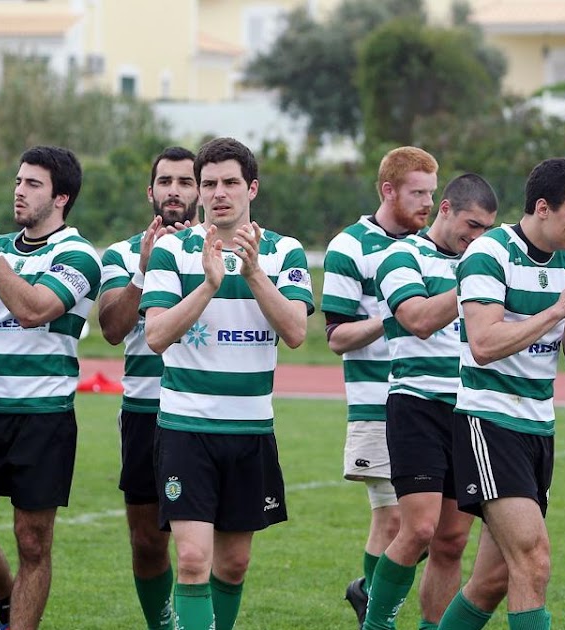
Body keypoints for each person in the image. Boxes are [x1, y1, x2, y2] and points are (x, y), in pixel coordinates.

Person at [140, 137, 313, 630]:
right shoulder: (173, 248)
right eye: (209, 184)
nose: (219, 193)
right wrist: (209, 283)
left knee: (233, 564)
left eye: (230, 183)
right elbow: (155, 335)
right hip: (185, 428)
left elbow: (297, 332)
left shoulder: (284, 251)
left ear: (251, 188)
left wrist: (254, 272)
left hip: (251, 430)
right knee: (193, 560)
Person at [437, 157, 565, 630]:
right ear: (543, 208)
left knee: (492, 579)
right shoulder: (489, 254)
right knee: (533, 559)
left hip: (538, 425)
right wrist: (558, 309)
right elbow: (484, 344)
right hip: (489, 421)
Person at [0, 145, 102, 630]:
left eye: (33, 184)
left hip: (43, 417)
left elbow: (33, 309)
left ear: (61, 198)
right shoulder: (1, 249)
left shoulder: (78, 254)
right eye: (17, 181)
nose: (19, 191)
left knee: (33, 542)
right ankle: (10, 605)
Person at [362, 174, 499, 630]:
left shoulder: (482, 260)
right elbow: (417, 319)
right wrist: (472, 284)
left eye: (486, 231)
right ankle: (376, 623)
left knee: (451, 541)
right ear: (445, 209)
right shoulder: (402, 255)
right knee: (418, 530)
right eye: (471, 225)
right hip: (416, 404)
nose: (477, 238)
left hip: (467, 408)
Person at [321, 146, 437, 624]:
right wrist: (391, 316)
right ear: (388, 190)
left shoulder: (432, 246)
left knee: (430, 528)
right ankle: (375, 606)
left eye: (433, 192)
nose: (428, 203)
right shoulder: (350, 246)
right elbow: (336, 337)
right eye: (418, 192)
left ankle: (369, 592)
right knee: (398, 522)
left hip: (432, 402)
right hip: (376, 402)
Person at [97, 146, 198, 630]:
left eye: (185, 181)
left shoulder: (216, 250)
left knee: (204, 543)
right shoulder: (119, 253)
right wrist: (143, 268)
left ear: (200, 190)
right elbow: (113, 329)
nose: (174, 191)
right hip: (144, 411)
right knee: (146, 541)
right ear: (151, 190)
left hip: (204, 410)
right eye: (165, 182)